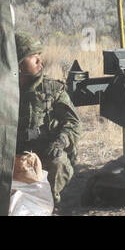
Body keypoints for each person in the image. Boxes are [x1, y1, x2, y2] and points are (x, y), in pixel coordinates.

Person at [15, 32, 79, 205]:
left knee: (59, 162)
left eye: (39, 56)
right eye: (33, 57)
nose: (39, 61)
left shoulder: (53, 89)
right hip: (14, 155)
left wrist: (60, 142)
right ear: (19, 64)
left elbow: (72, 122)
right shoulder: (5, 92)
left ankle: (51, 202)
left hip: (45, 152)